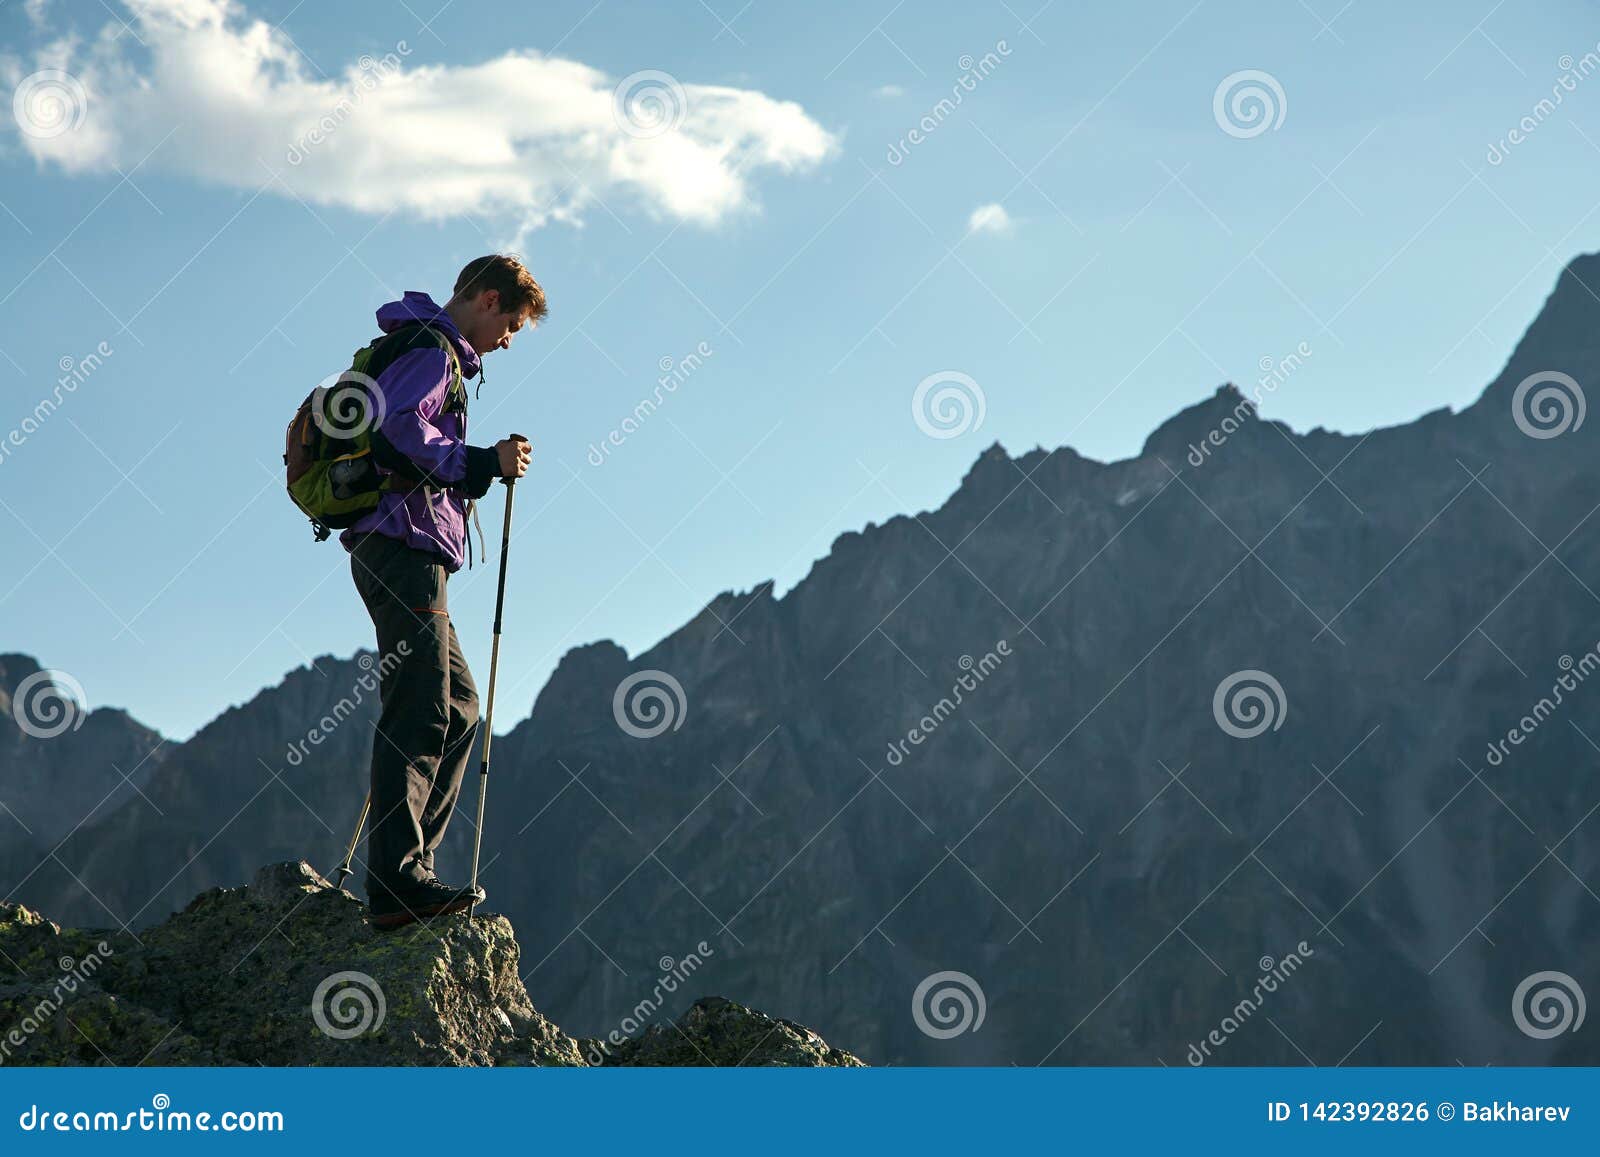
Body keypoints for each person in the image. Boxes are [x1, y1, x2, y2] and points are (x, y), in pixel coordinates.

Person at [341, 254, 543, 930]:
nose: (508, 339)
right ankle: (398, 883)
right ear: (488, 300)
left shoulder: (428, 348)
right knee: (422, 702)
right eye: (511, 324)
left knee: (458, 703)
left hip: (404, 551)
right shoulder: (431, 350)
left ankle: (411, 871)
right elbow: (400, 429)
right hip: (400, 546)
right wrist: (483, 461)